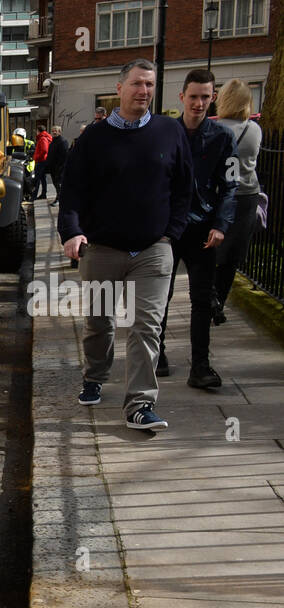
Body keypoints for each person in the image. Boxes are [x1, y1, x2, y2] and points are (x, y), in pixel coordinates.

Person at [58, 58, 193, 431]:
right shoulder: (94, 139)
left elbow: (184, 187)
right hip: (102, 249)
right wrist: (71, 231)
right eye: (137, 84)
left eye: (150, 85)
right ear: (119, 89)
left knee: (146, 326)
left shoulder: (169, 132)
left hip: (153, 250)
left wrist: (173, 232)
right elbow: (72, 191)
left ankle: (140, 405)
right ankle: (95, 375)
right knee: (99, 323)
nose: (144, 91)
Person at [155, 69, 237, 388]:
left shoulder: (222, 137)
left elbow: (230, 185)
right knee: (161, 295)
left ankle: (200, 365)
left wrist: (221, 225)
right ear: (182, 97)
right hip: (167, 229)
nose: (199, 103)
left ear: (213, 98)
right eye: (194, 96)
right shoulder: (165, 133)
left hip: (203, 229)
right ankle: (157, 354)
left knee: (202, 299)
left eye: (205, 97)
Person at [211, 79, 263, 327]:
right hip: (246, 196)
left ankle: (208, 295)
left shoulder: (215, 129)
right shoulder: (254, 129)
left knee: (212, 249)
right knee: (232, 256)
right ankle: (219, 300)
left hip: (220, 195)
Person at [46, 125, 67, 206]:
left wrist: (60, 168)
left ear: (59, 132)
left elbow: (64, 156)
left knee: (58, 184)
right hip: (52, 168)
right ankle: (58, 198)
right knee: (55, 184)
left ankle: (59, 199)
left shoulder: (63, 141)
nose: (54, 132)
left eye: (55, 131)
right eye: (53, 131)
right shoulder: (53, 141)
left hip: (59, 168)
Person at [33, 124, 52, 199]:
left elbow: (44, 150)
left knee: (37, 179)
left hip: (41, 161)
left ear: (38, 131)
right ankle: (43, 194)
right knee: (42, 178)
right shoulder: (45, 137)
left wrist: (37, 157)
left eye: (36, 131)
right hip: (43, 161)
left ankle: (34, 196)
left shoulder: (42, 138)